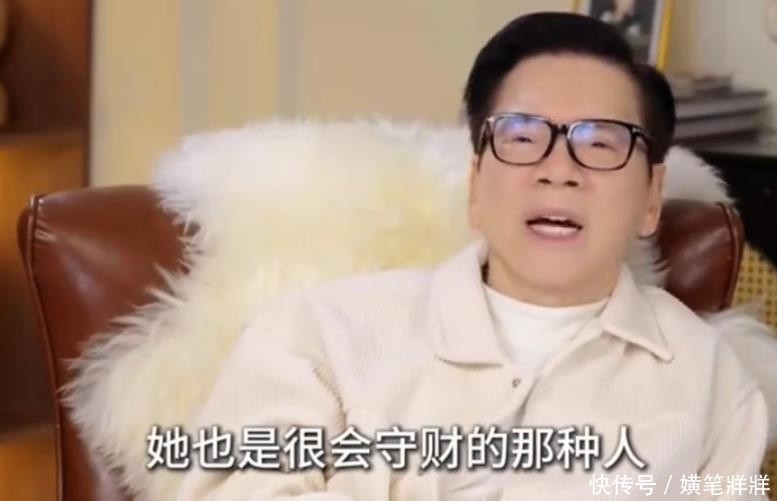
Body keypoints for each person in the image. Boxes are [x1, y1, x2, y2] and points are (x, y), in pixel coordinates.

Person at [177, 12, 768, 500]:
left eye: (599, 144)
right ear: (477, 184)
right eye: (522, 137)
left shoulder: (709, 380)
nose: (559, 170)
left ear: (651, 198)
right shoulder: (318, 336)